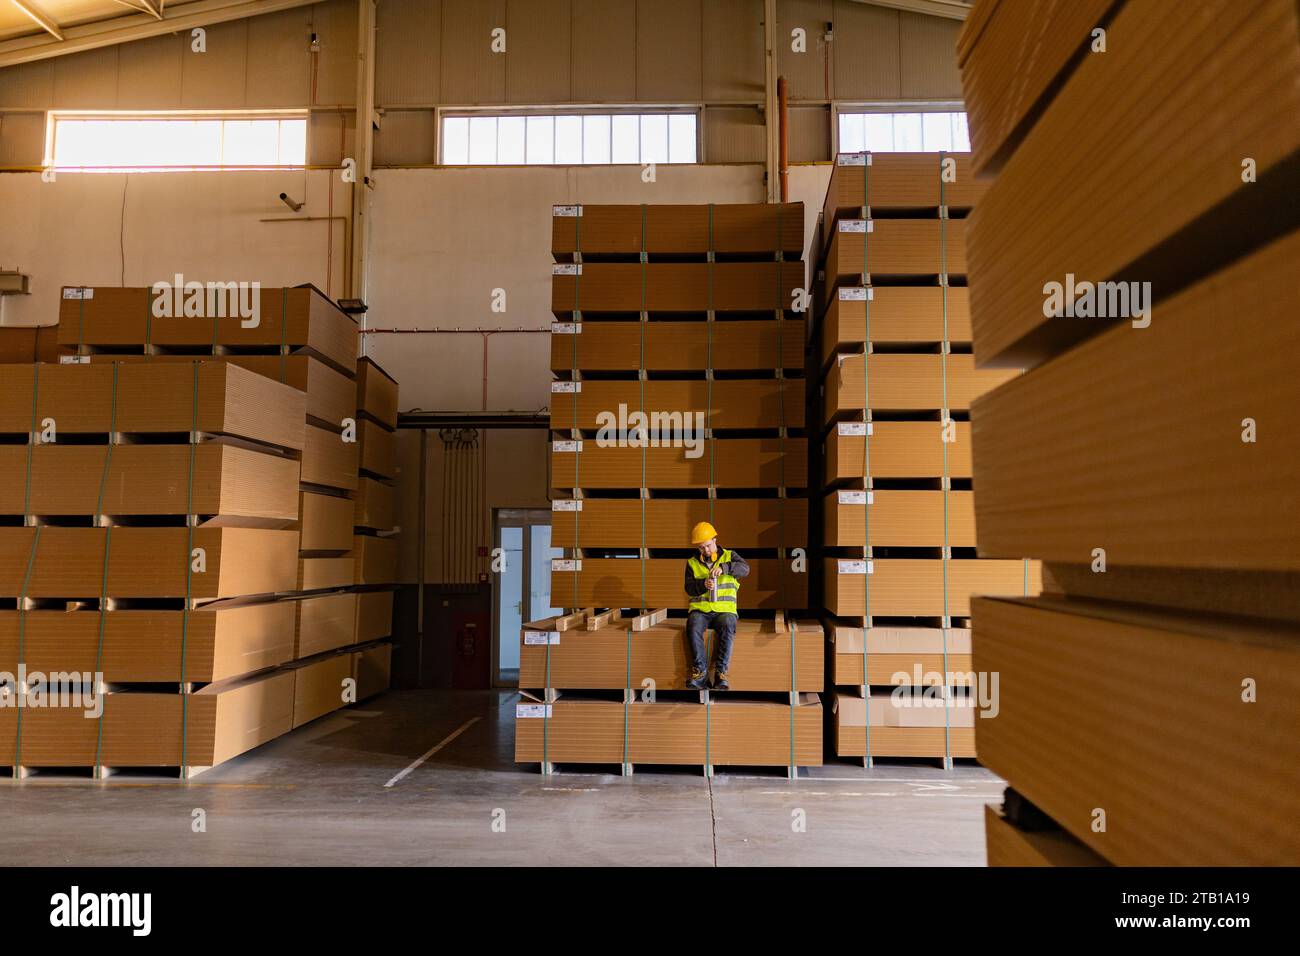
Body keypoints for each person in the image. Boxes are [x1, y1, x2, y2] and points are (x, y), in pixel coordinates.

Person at [683, 522, 750, 691]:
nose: (706, 550)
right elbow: (689, 588)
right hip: (701, 610)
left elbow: (745, 569)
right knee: (693, 625)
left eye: (708, 545)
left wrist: (725, 568)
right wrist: (702, 585)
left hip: (725, 611)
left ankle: (721, 674)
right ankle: (701, 673)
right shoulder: (691, 563)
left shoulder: (729, 556)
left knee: (728, 625)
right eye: (701, 547)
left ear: (715, 539)